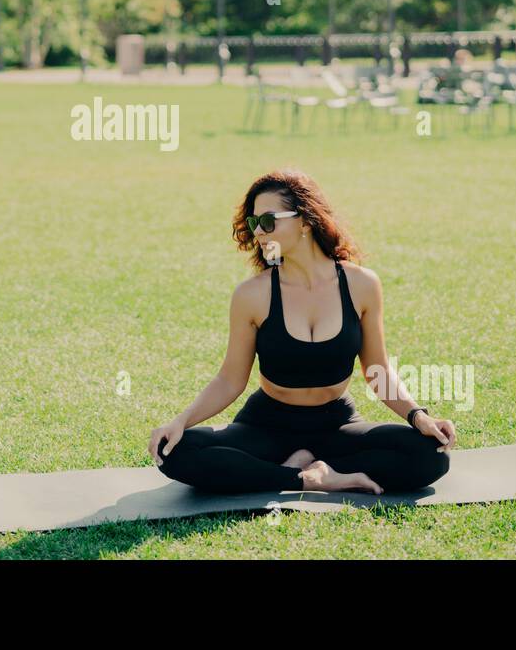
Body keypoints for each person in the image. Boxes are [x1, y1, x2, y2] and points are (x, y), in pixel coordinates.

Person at [148, 168, 456, 495]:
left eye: (268, 221)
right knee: (175, 452)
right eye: (254, 223)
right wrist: (180, 421)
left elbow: (377, 370)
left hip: (337, 425)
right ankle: (306, 478)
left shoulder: (362, 284)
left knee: (430, 456)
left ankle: (295, 470)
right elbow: (230, 379)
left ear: (305, 221)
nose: (259, 233)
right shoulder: (252, 294)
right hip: (267, 426)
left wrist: (418, 416)